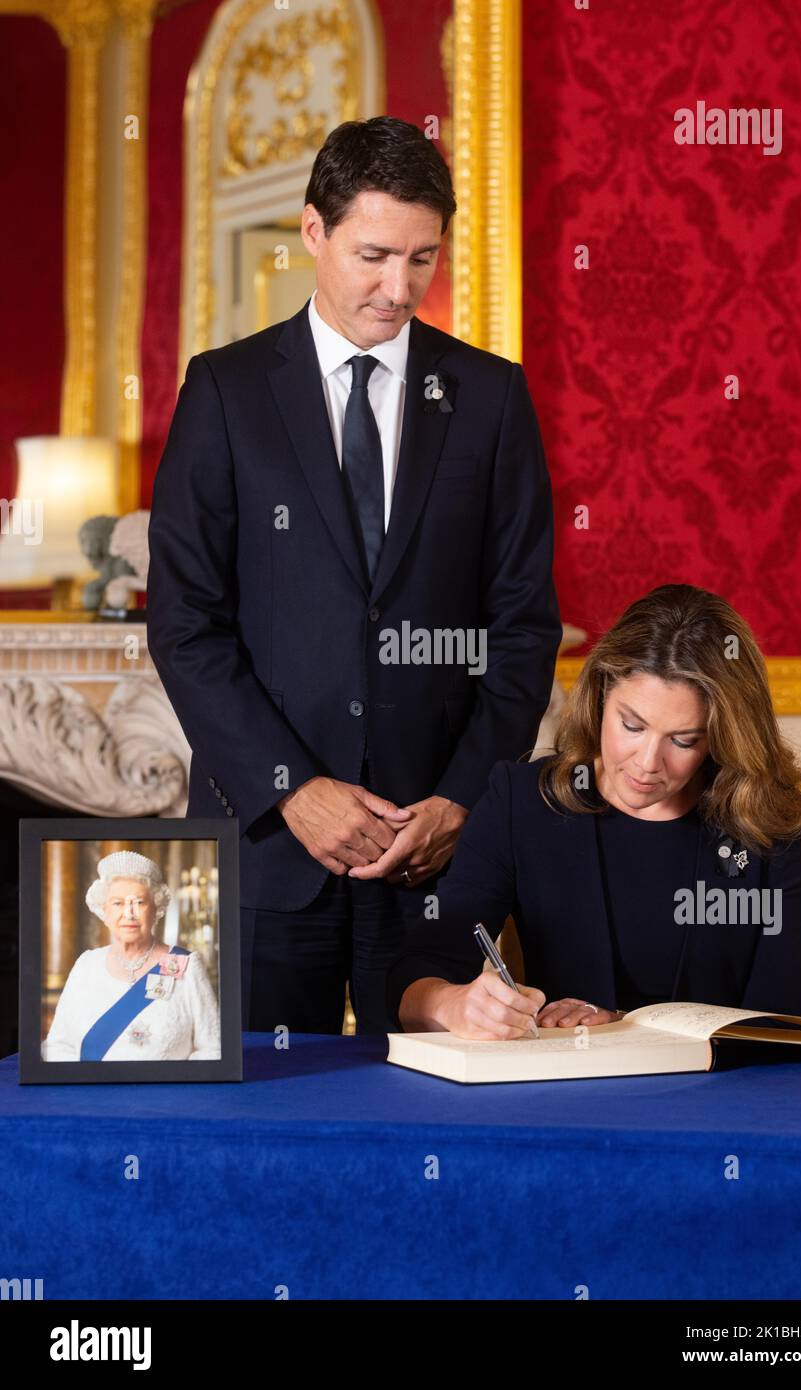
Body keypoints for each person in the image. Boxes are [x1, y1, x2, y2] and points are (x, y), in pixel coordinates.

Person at [147, 117, 561, 1035]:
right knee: (255, 1105)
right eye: (374, 255)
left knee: (434, 1106)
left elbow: (523, 627)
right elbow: (184, 624)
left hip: (434, 852)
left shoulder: (491, 397)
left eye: (422, 258)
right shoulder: (224, 390)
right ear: (313, 231)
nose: (398, 288)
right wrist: (292, 789)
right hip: (265, 846)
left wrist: (461, 799)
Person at [386, 585, 801, 1039]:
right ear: (600, 695)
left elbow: (784, 1029)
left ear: (721, 735)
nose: (648, 763)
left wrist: (621, 1026)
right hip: (565, 1082)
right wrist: (453, 1005)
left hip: (718, 1084)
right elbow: (416, 969)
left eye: (683, 740)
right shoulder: (522, 802)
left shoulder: (766, 829)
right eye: (632, 725)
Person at [42, 851, 220, 1061]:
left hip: (166, 1084)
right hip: (91, 1084)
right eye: (118, 903)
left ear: (156, 909)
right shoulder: (86, 965)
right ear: (104, 911)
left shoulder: (186, 965)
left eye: (139, 902)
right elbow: (57, 1046)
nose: (129, 913)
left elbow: (213, 1049)